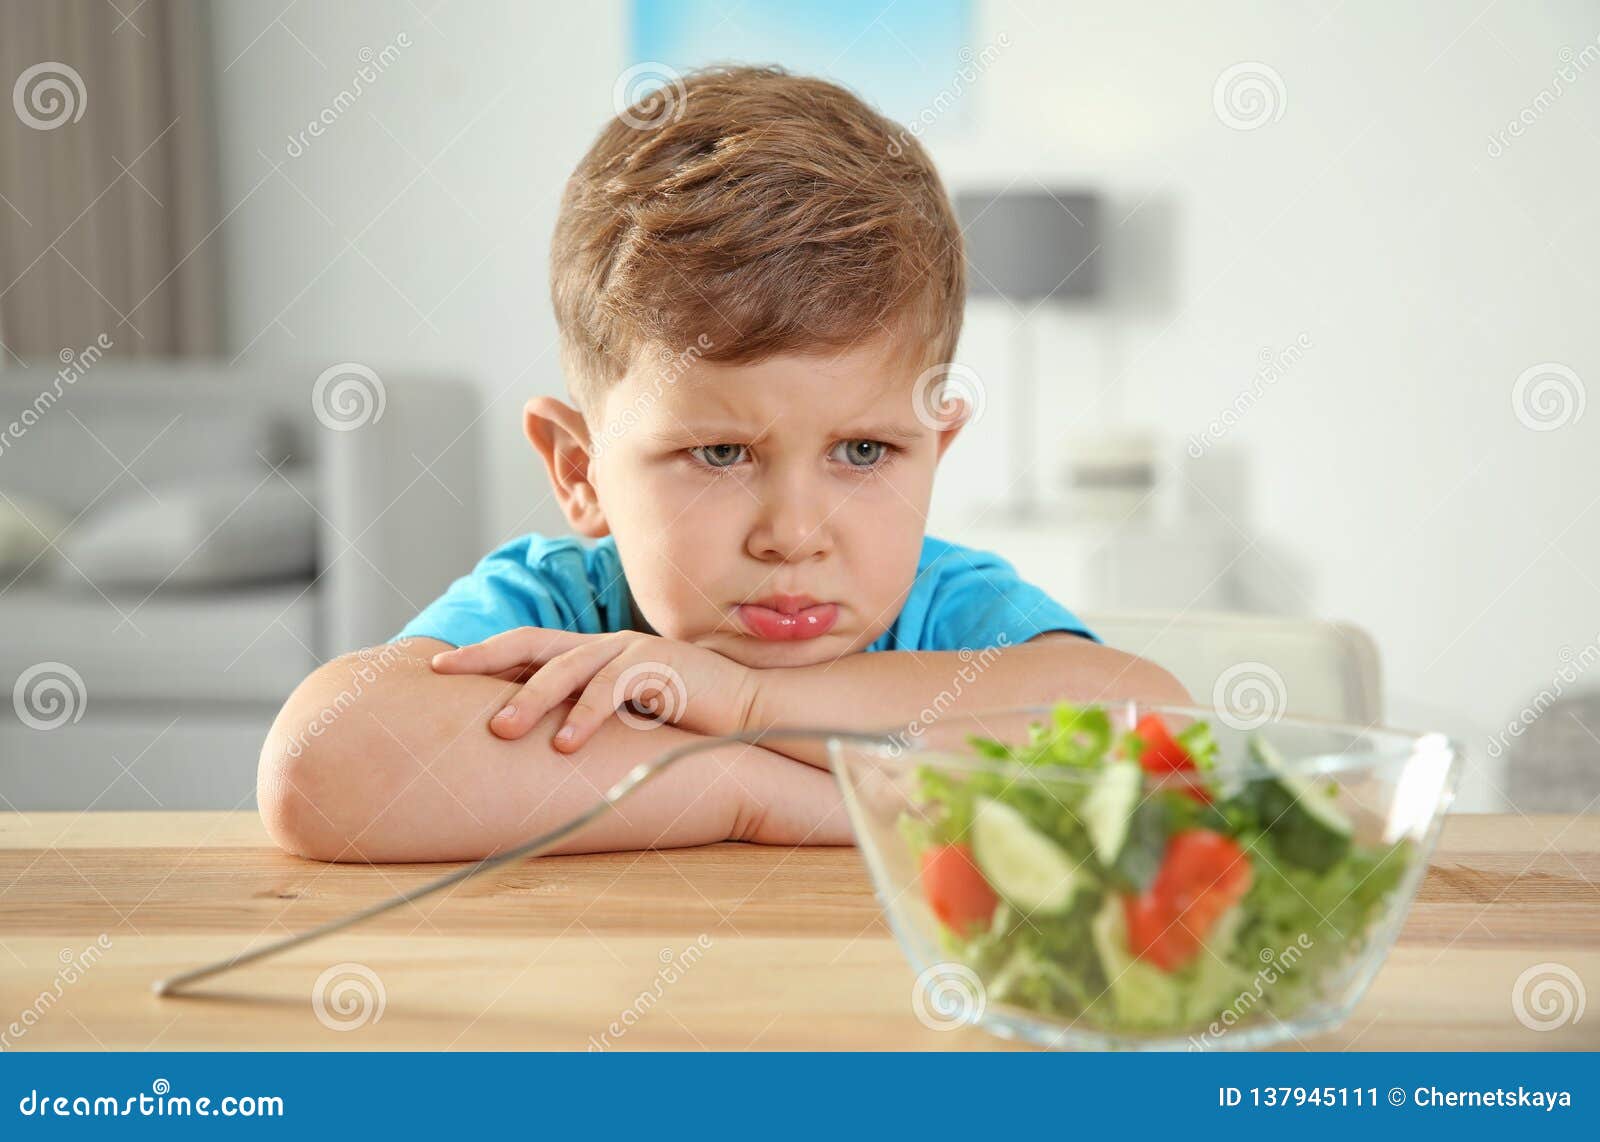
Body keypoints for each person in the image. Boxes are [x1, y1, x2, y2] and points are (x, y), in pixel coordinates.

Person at [257, 66, 1186, 863]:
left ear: (935, 451)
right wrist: (755, 794)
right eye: (719, 453)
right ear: (580, 471)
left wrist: (746, 701)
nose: (793, 535)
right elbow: (322, 765)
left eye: (863, 451)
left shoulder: (951, 613)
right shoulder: (562, 610)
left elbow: (1161, 732)